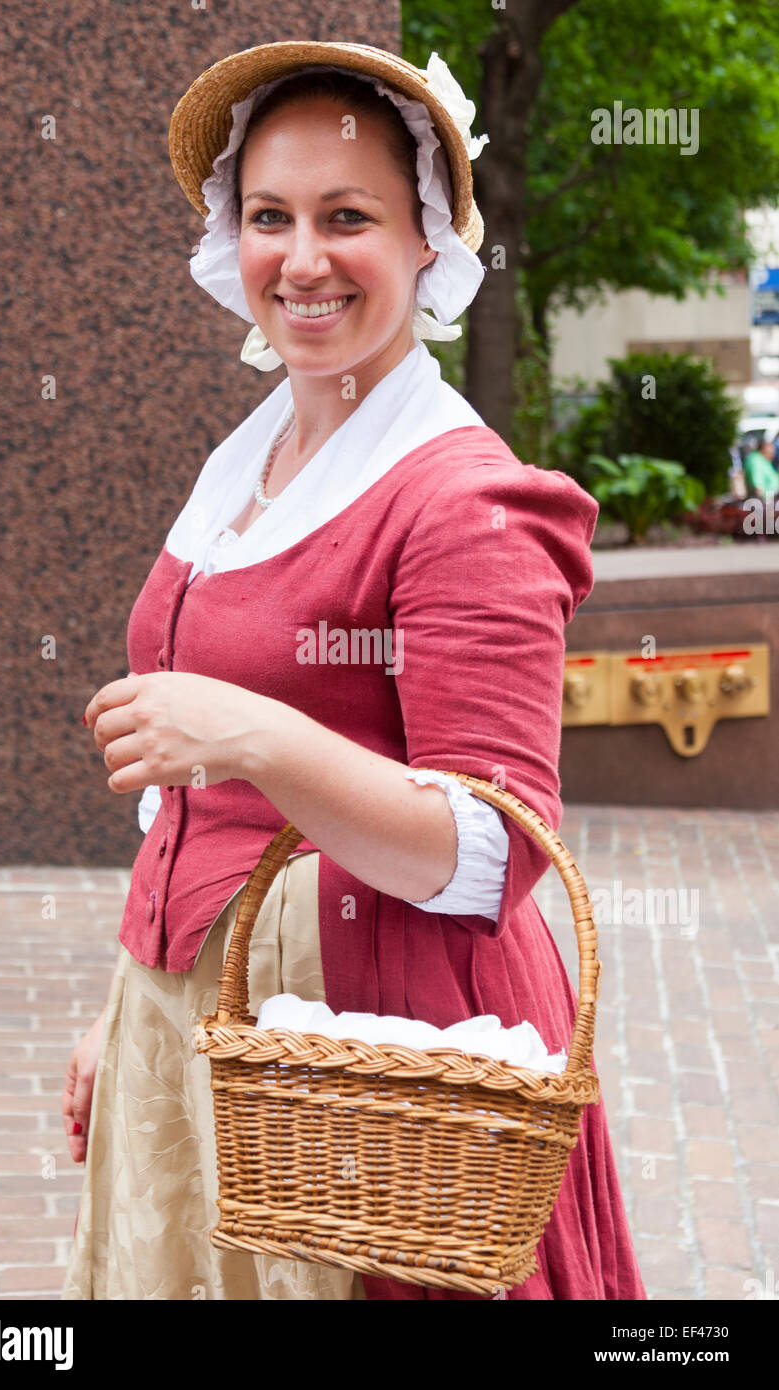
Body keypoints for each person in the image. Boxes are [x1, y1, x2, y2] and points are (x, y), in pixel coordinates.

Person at [61, 40, 646, 1301]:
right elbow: (185, 795)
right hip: (214, 1019)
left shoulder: (463, 496)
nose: (303, 258)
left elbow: (493, 855)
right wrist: (133, 995)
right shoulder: (255, 452)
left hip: (369, 1043)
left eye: (349, 217)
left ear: (429, 239)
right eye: (269, 216)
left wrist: (258, 732)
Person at [743, 434, 779, 498]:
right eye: (770, 453)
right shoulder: (755, 460)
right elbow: (757, 488)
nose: (773, 455)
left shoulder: (762, 459)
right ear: (763, 449)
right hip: (766, 502)